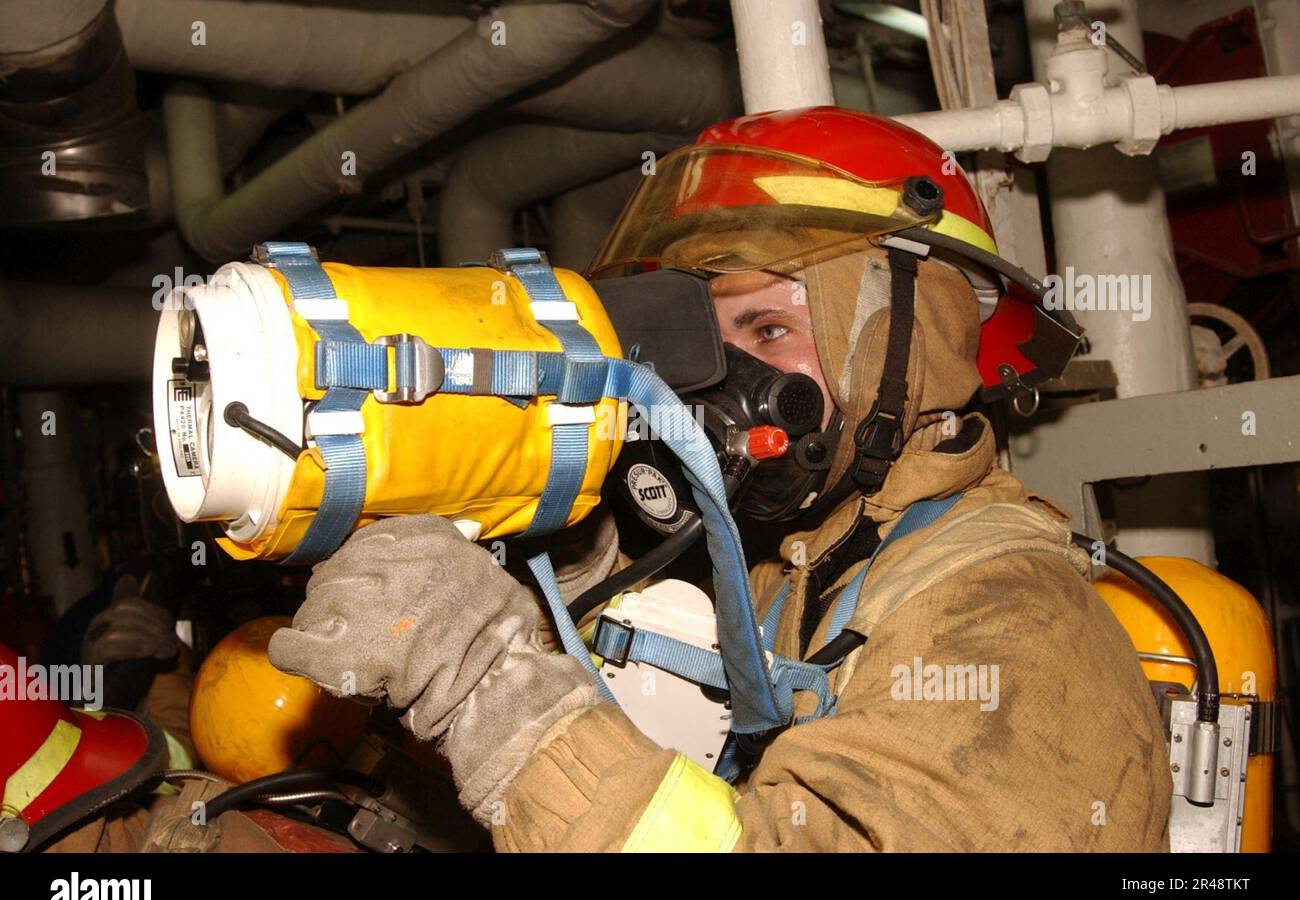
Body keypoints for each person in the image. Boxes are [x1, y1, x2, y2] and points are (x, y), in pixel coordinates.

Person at [268, 106, 1171, 852]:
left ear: (908, 347)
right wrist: (577, 597)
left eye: (768, 330)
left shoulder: (1006, 620)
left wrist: (490, 689)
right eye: (706, 341)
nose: (711, 381)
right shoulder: (798, 570)